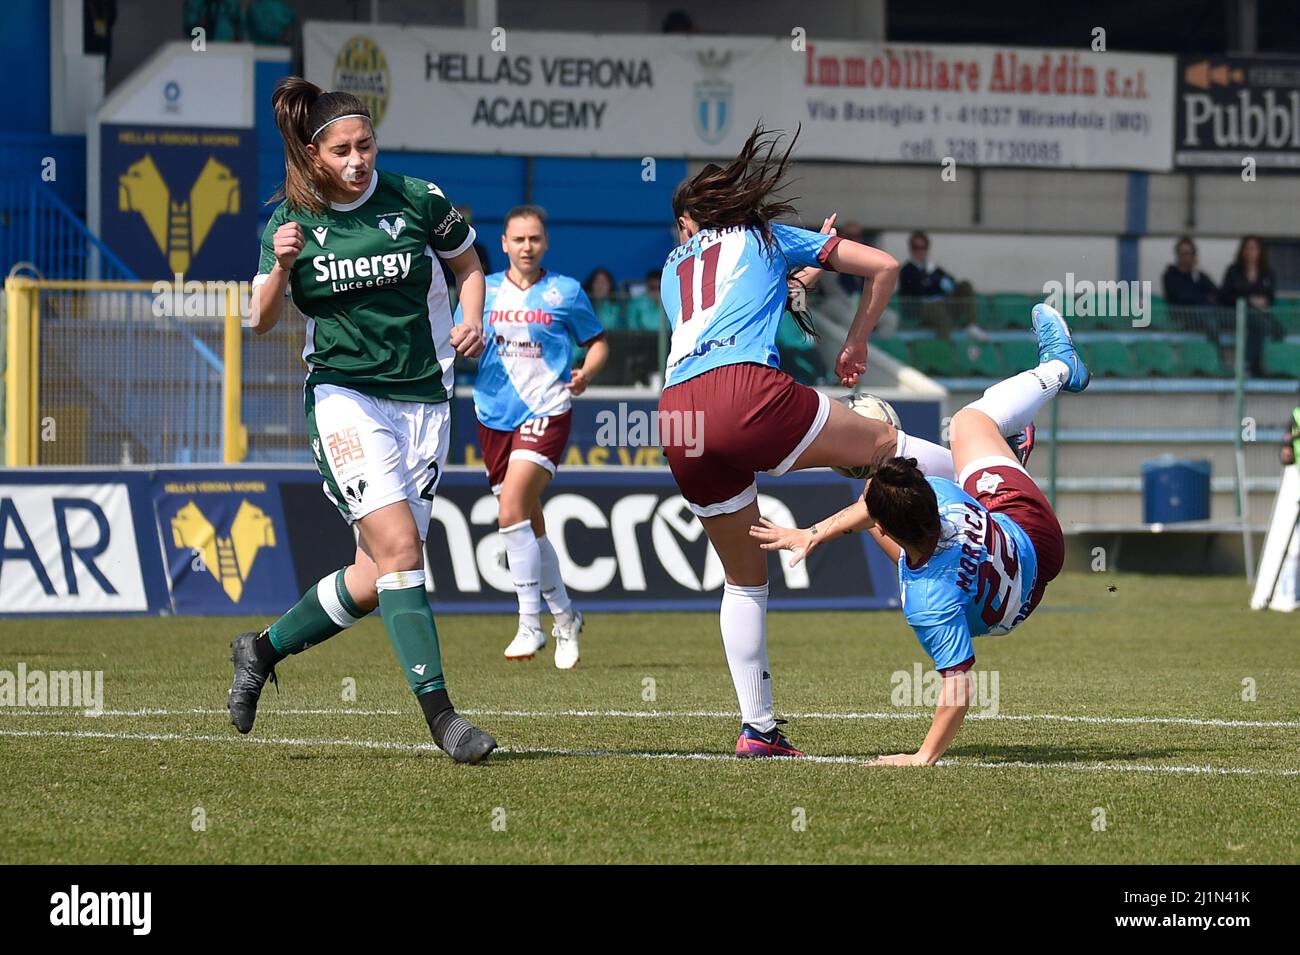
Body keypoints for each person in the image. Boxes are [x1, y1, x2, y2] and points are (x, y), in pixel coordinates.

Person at [657, 124, 954, 758]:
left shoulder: (672, 271)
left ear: (689, 226)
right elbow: (884, 267)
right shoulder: (766, 237)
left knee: (743, 580)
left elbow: (738, 307)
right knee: (884, 446)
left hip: (677, 414)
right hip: (745, 393)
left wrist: (802, 271)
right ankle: (988, 476)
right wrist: (855, 338)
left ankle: (757, 731)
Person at [228, 76, 497, 764]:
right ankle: (443, 716)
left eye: (366, 145)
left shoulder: (417, 199)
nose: (357, 160)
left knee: (375, 576)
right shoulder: (291, 221)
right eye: (343, 150)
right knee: (404, 551)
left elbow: (468, 265)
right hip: (345, 398)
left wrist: (473, 317)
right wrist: (281, 268)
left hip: (425, 400)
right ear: (316, 156)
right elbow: (257, 322)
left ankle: (260, 648)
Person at [751, 302, 1086, 764]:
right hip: (1031, 536)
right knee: (969, 423)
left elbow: (959, 681)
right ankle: (1050, 378)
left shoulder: (927, 602)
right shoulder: (948, 496)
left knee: (879, 494)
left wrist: (813, 533)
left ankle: (1039, 401)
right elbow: (960, 689)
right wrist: (814, 532)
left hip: (1014, 602)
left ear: (889, 527)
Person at [458, 205, 609, 667]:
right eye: (518, 239)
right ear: (503, 243)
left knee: (509, 510)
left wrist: (586, 374)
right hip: (492, 413)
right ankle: (565, 617)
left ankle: (529, 624)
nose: (527, 247)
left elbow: (597, 341)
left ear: (545, 243)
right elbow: (464, 341)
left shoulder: (566, 291)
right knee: (528, 521)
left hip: (547, 409)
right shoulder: (483, 290)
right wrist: (468, 345)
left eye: (535, 239)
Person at [898, 231, 984, 340]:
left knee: (965, 285)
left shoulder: (933, 267)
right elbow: (919, 290)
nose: (920, 251)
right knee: (942, 317)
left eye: (923, 247)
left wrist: (933, 280)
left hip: (943, 303)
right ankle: (945, 350)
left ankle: (971, 325)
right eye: (916, 247)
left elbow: (951, 281)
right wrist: (932, 280)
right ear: (911, 249)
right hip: (923, 308)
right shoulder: (907, 270)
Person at [1220, 235, 1280, 377]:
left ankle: (1253, 366)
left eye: (1253, 248)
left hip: (1260, 314)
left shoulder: (1268, 273)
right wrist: (1249, 300)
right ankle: (1247, 364)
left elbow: (1271, 297)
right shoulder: (1233, 271)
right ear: (1242, 251)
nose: (1250, 251)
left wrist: (1263, 301)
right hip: (1236, 314)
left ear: (1260, 251)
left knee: (1276, 330)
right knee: (1259, 325)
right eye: (1247, 248)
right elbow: (1224, 296)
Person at [1162, 236, 1221, 339]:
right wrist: (1205, 298)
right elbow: (1182, 297)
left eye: (1188, 253)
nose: (1185, 257)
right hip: (1181, 315)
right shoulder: (1170, 276)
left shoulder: (1198, 275)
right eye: (1182, 253)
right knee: (1210, 320)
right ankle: (1216, 352)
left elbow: (1216, 293)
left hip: (1203, 313)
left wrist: (1195, 273)